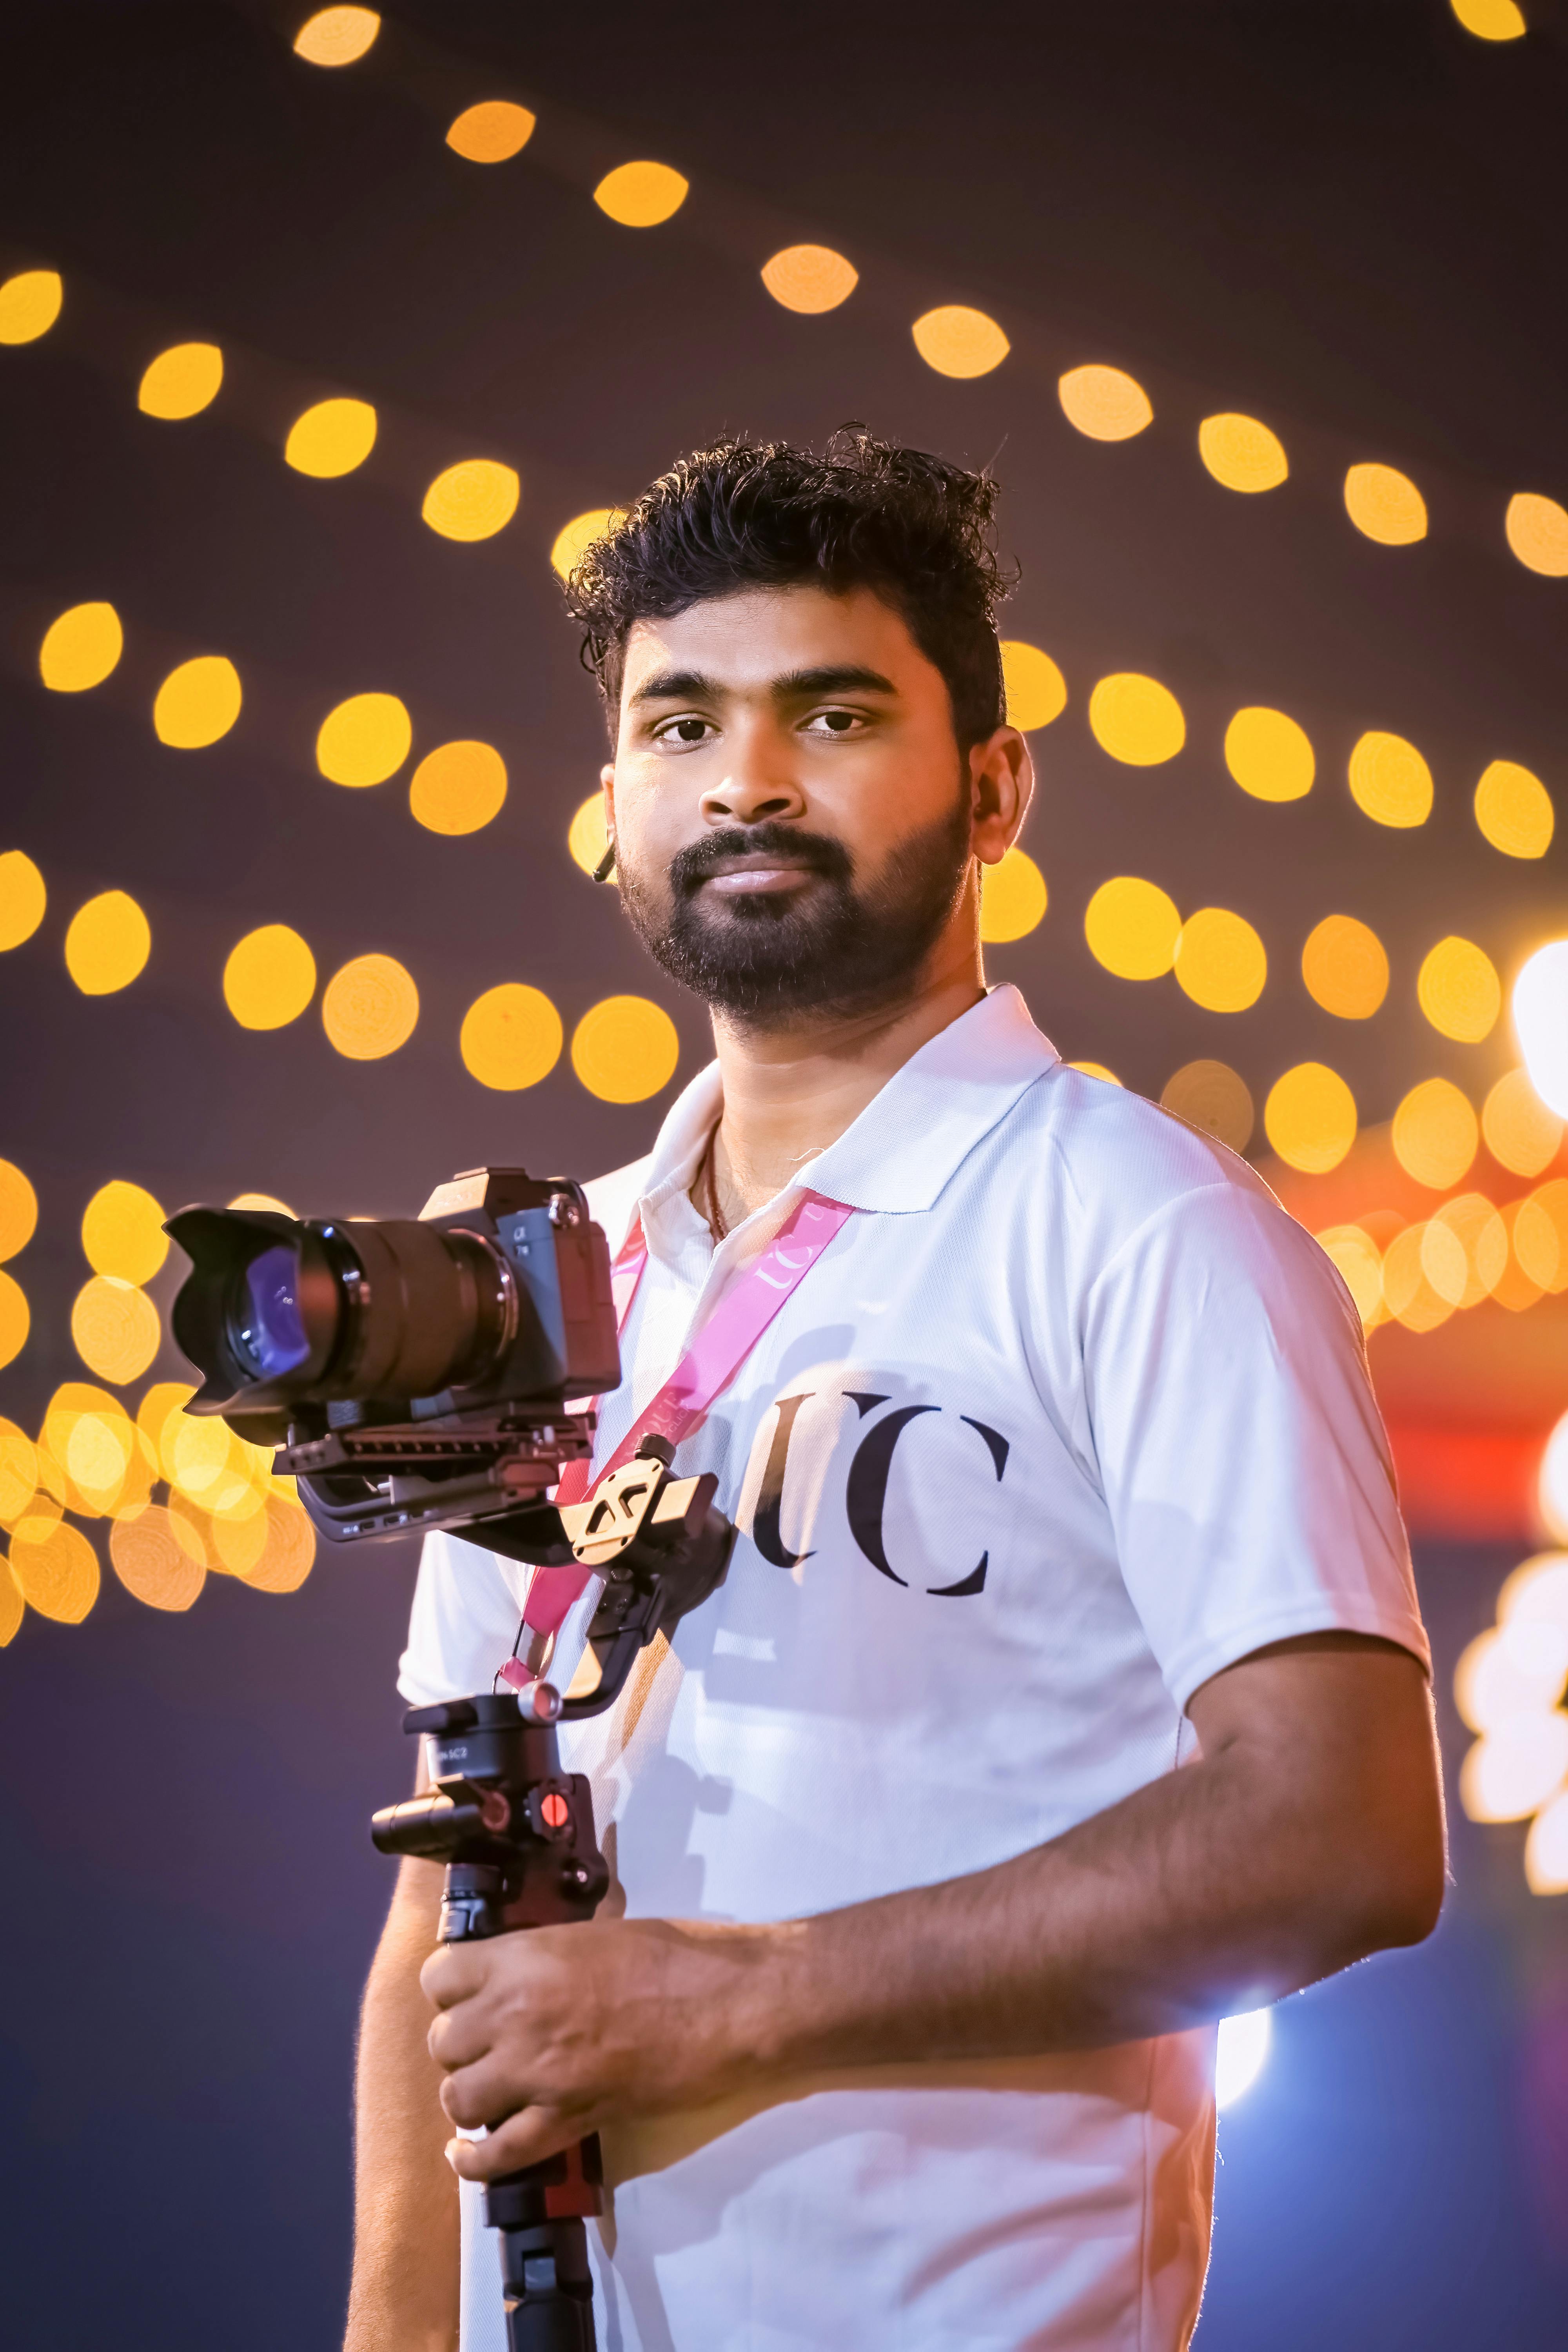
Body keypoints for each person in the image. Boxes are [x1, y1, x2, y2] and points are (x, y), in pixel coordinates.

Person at [344, 429, 1444, 2352]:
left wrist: (732, 1999)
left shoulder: (1141, 1224)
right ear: (611, 804)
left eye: (832, 714)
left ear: (995, 789)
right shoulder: (532, 1290)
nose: (746, 779)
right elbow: (442, 1916)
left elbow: (1338, 1835)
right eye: (680, 726)